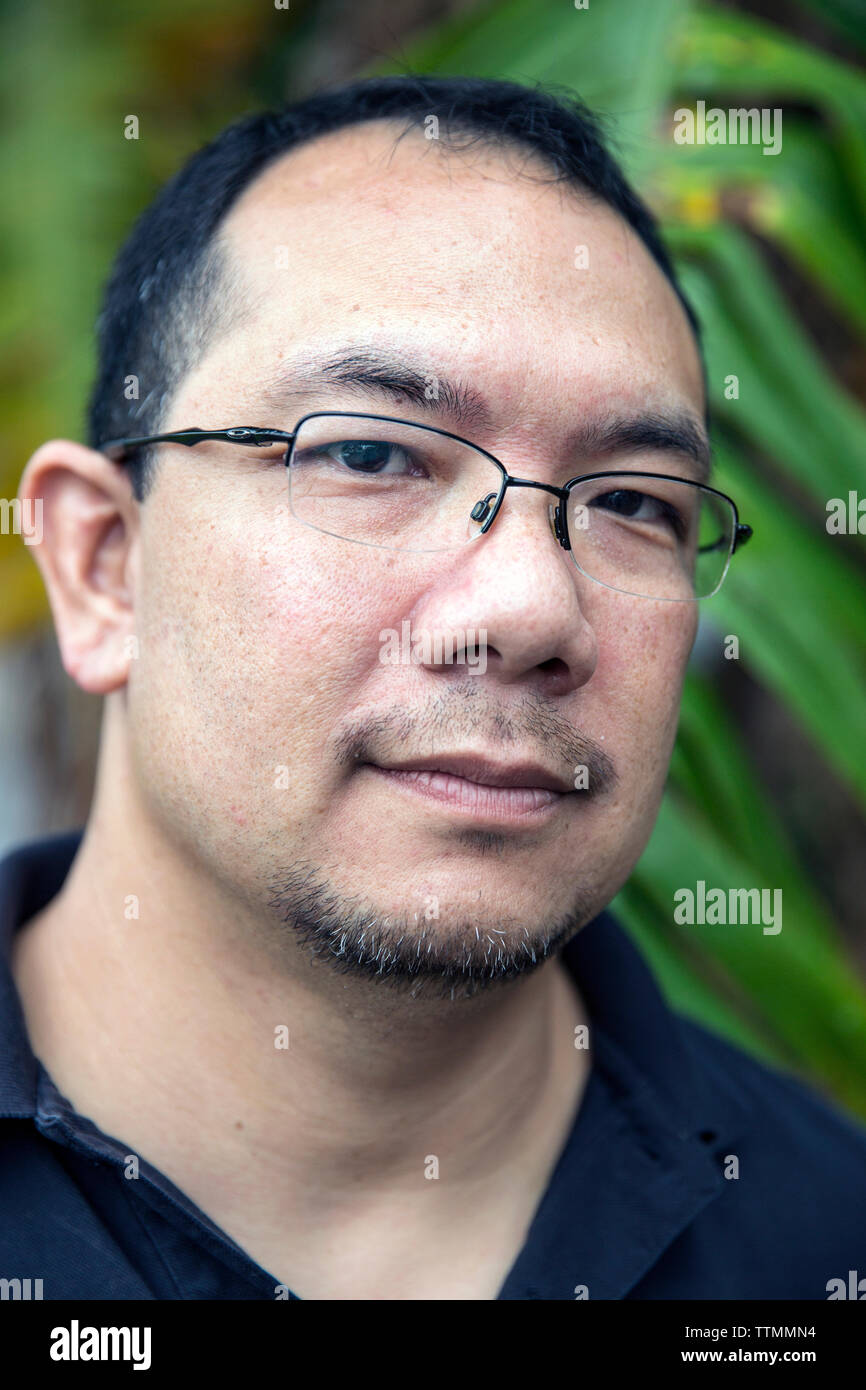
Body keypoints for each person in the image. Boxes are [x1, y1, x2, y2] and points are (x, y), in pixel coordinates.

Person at [2, 74, 863, 1302]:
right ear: (102, 568)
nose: (530, 608)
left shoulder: (818, 1248)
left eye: (629, 503)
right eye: (368, 453)